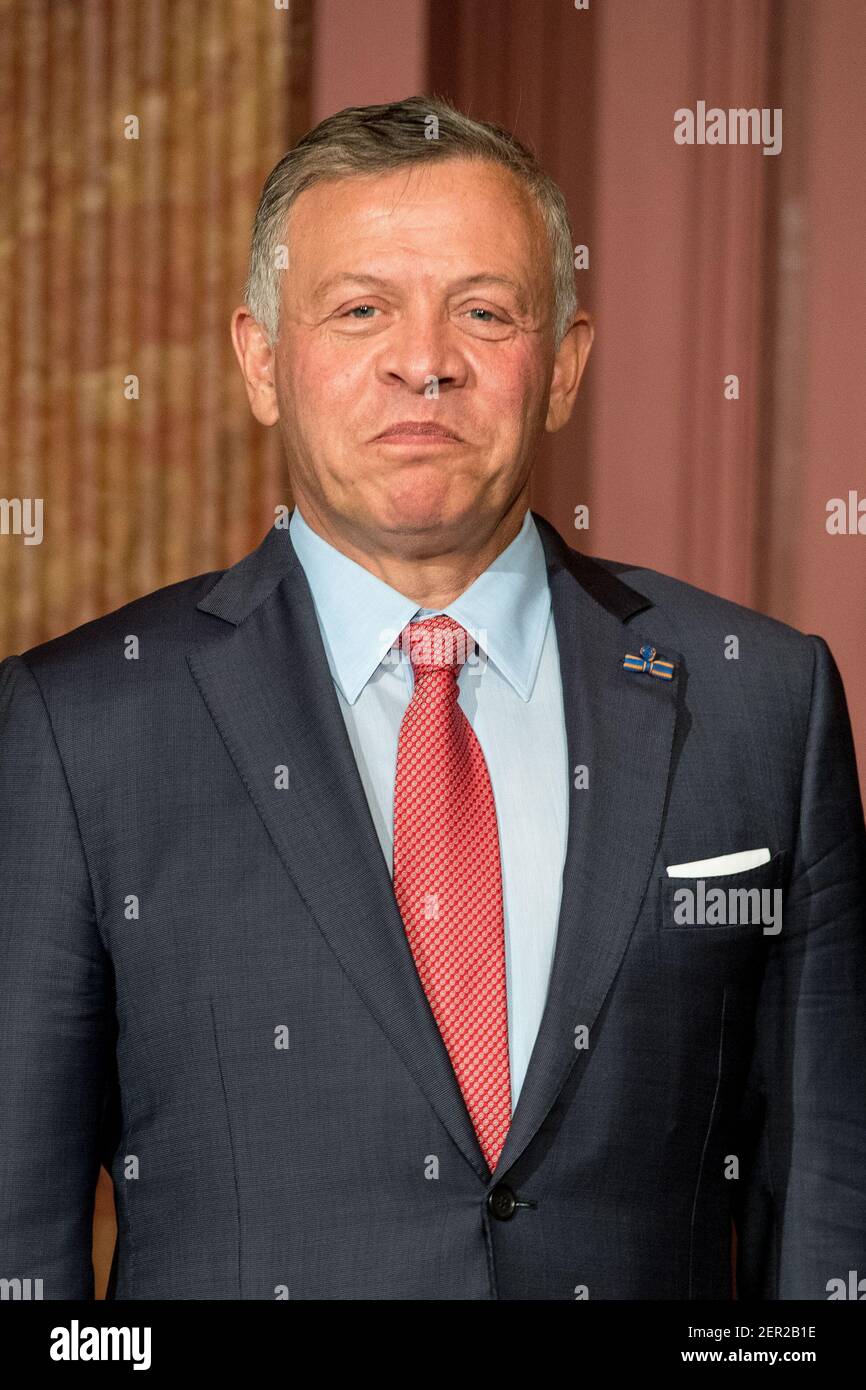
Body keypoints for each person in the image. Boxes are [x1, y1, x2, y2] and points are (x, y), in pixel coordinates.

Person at [1, 96, 864, 1301]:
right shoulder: (75, 726)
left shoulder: (760, 701)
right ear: (261, 361)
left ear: (561, 366)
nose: (425, 360)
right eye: (360, 310)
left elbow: (828, 1206)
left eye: (484, 312)